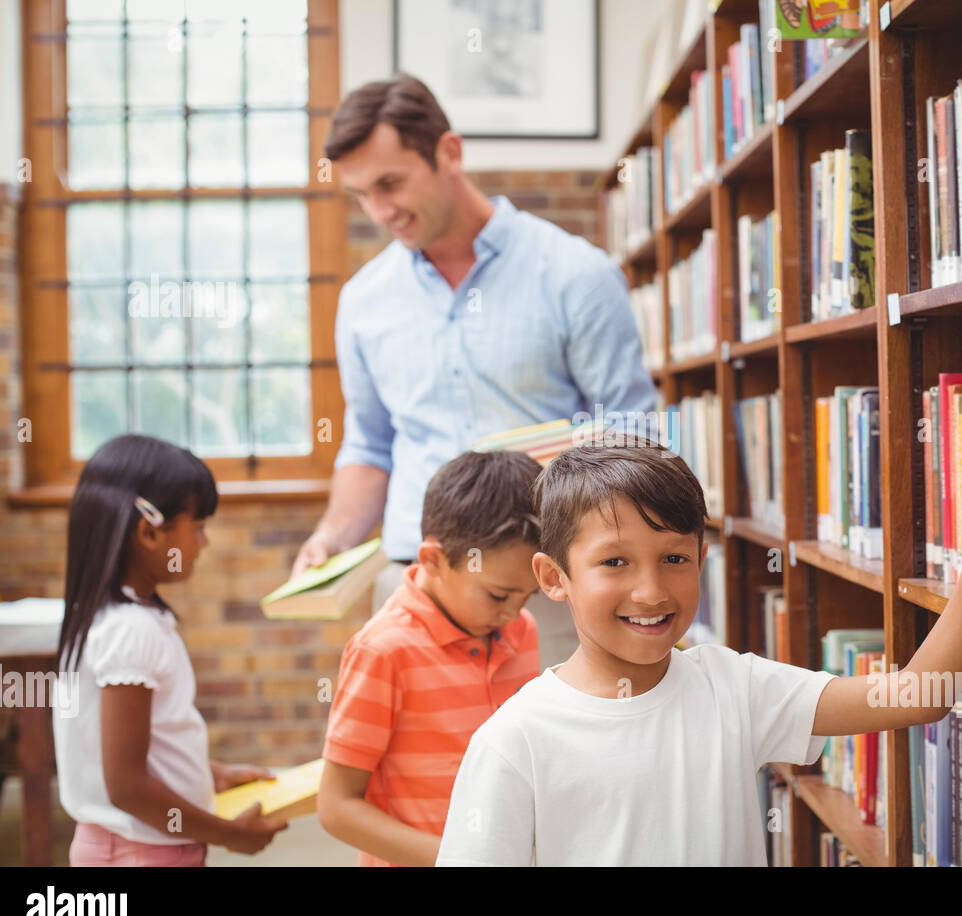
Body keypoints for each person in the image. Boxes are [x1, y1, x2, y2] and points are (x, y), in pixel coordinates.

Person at [435, 413, 962, 865]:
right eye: (614, 563)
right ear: (553, 578)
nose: (650, 591)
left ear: (701, 559)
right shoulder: (515, 742)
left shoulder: (733, 688)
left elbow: (919, 695)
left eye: (673, 558)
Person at [290, 74, 657, 669]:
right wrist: (332, 536)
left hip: (549, 586)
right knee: (425, 765)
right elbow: (369, 443)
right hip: (414, 587)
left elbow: (632, 437)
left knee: (564, 761)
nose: (381, 211)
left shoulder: (575, 275)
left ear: (449, 152)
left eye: (390, 183)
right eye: (360, 194)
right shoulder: (363, 302)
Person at [53, 435, 286, 866]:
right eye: (197, 527)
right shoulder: (132, 631)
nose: (204, 543)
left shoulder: (103, 616)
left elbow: (134, 747)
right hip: (140, 854)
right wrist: (230, 834)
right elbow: (127, 785)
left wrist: (208, 773)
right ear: (149, 530)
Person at [317, 450, 543, 866]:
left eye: (528, 595)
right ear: (432, 560)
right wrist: (457, 859)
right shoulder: (383, 651)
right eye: (498, 595)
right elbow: (336, 807)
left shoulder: (520, 629)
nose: (514, 612)